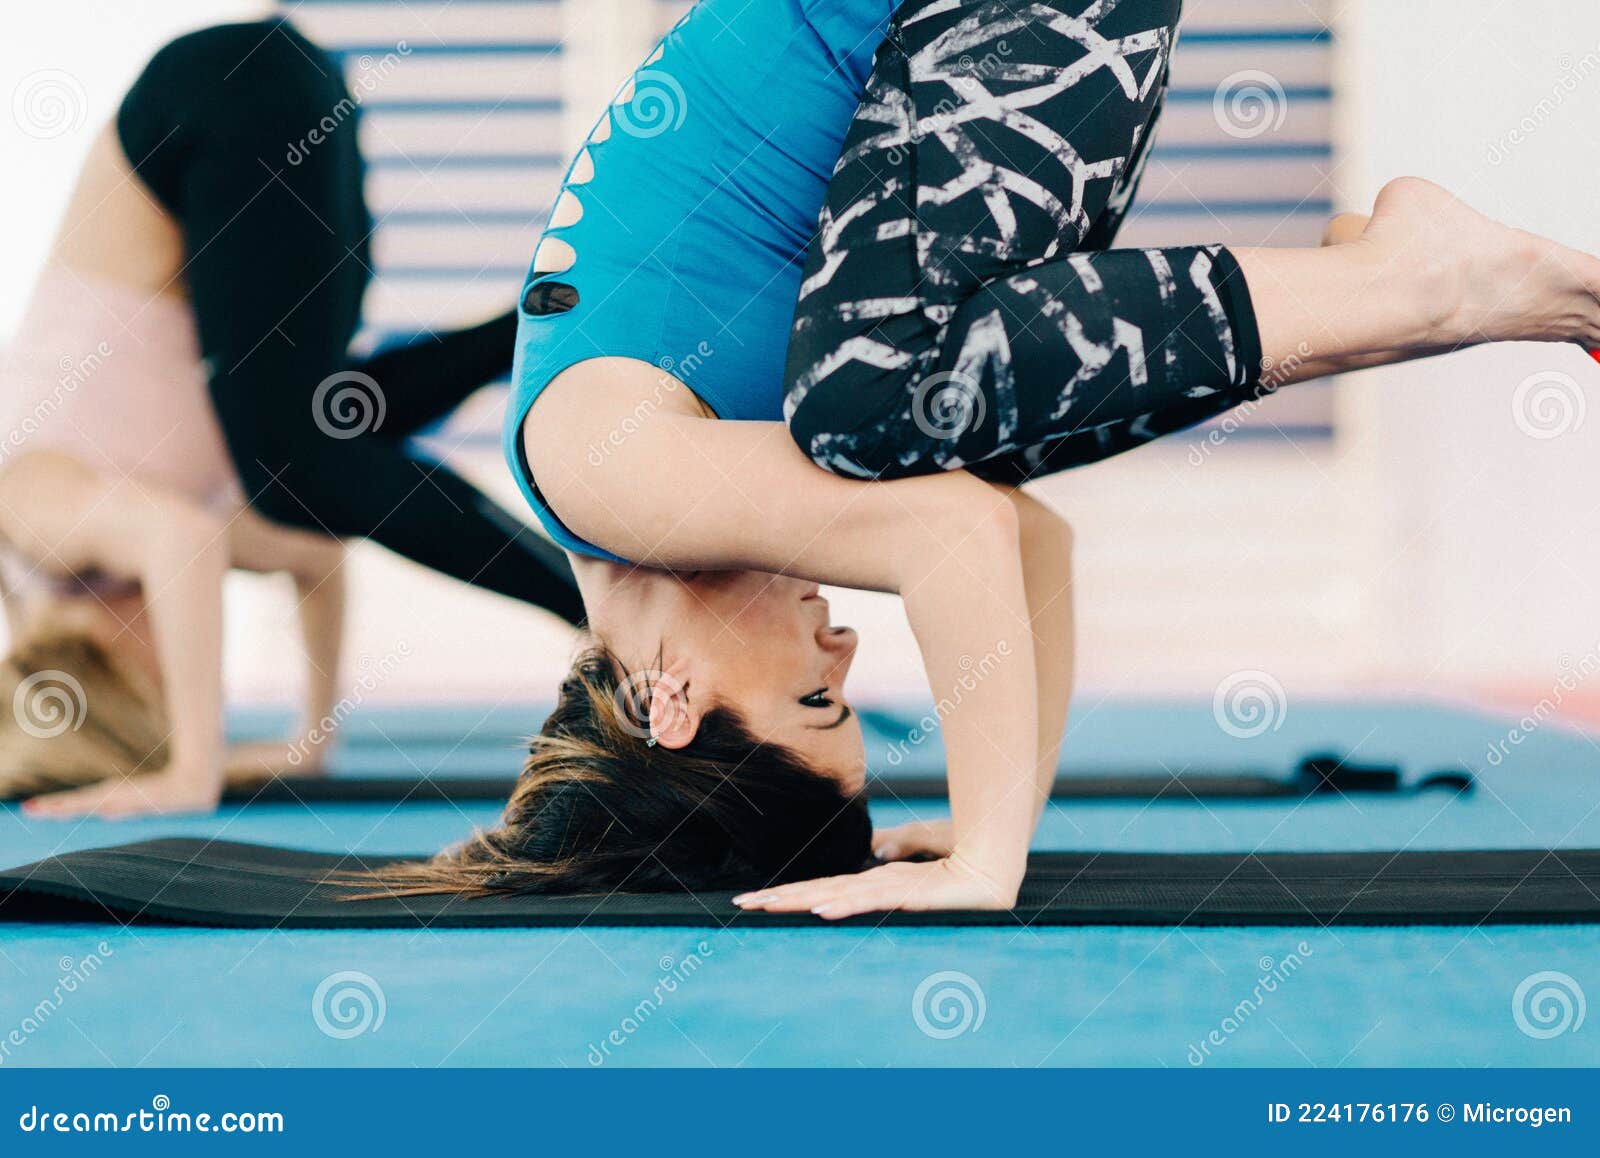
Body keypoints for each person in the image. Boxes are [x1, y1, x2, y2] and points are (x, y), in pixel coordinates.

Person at [373, 0, 1600, 913]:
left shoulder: (608, 480)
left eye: (817, 700)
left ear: (670, 703)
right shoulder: (641, 486)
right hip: (996, 46)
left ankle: (1404, 286)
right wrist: (983, 805)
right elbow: (1021, 536)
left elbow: (956, 537)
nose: (843, 649)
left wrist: (986, 860)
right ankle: (1382, 290)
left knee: (872, 414)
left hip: (985, 33)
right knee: (961, 424)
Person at [0, 19, 582, 819]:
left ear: (100, 660)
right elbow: (316, 553)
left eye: (159, 687)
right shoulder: (136, 539)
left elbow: (185, 546)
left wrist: (191, 773)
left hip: (214, 102)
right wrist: (314, 737)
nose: (184, 669)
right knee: (325, 443)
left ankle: (592, 608)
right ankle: (551, 316)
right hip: (278, 111)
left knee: (293, 467)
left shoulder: (38, 532)